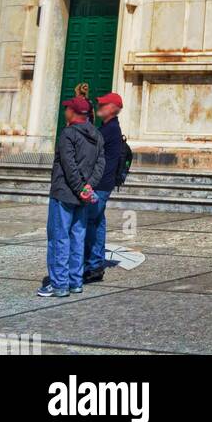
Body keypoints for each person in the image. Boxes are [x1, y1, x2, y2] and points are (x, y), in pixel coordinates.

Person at [38, 97, 104, 299]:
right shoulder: (97, 134)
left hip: (64, 194)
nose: (65, 110)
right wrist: (88, 187)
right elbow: (101, 164)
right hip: (83, 196)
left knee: (59, 238)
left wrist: (79, 187)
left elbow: (69, 165)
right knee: (78, 237)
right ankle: (75, 281)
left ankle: (59, 284)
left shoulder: (68, 134)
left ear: (73, 112)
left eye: (67, 108)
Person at [83, 92, 125, 284]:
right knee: (97, 222)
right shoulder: (108, 128)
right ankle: (96, 265)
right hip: (104, 183)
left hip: (100, 184)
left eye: (103, 105)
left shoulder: (110, 130)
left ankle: (92, 265)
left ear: (113, 108)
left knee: (90, 223)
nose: (99, 107)